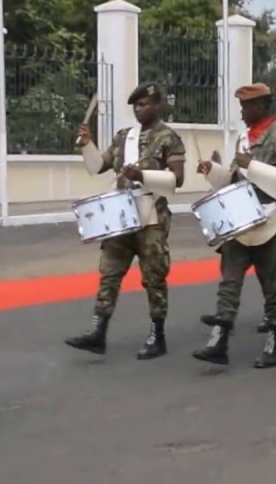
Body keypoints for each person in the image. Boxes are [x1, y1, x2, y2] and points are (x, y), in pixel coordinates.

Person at [68, 83, 186, 359]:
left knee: (154, 278)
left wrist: (142, 176)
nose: (138, 109)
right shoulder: (124, 137)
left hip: (150, 216)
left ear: (157, 105)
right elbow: (98, 166)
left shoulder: (169, 138)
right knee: (109, 272)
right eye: (135, 104)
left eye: (144, 104)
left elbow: (177, 179)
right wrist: (87, 144)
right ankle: (98, 332)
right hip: (120, 214)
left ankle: (158, 335)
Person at [193, 83, 276, 368]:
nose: (242, 112)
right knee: (229, 282)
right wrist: (212, 171)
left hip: (269, 222)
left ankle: (274, 345)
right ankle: (218, 341)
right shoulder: (244, 137)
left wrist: (252, 165)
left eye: (246, 107)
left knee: (273, 286)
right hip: (240, 221)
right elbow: (234, 181)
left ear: (261, 107)